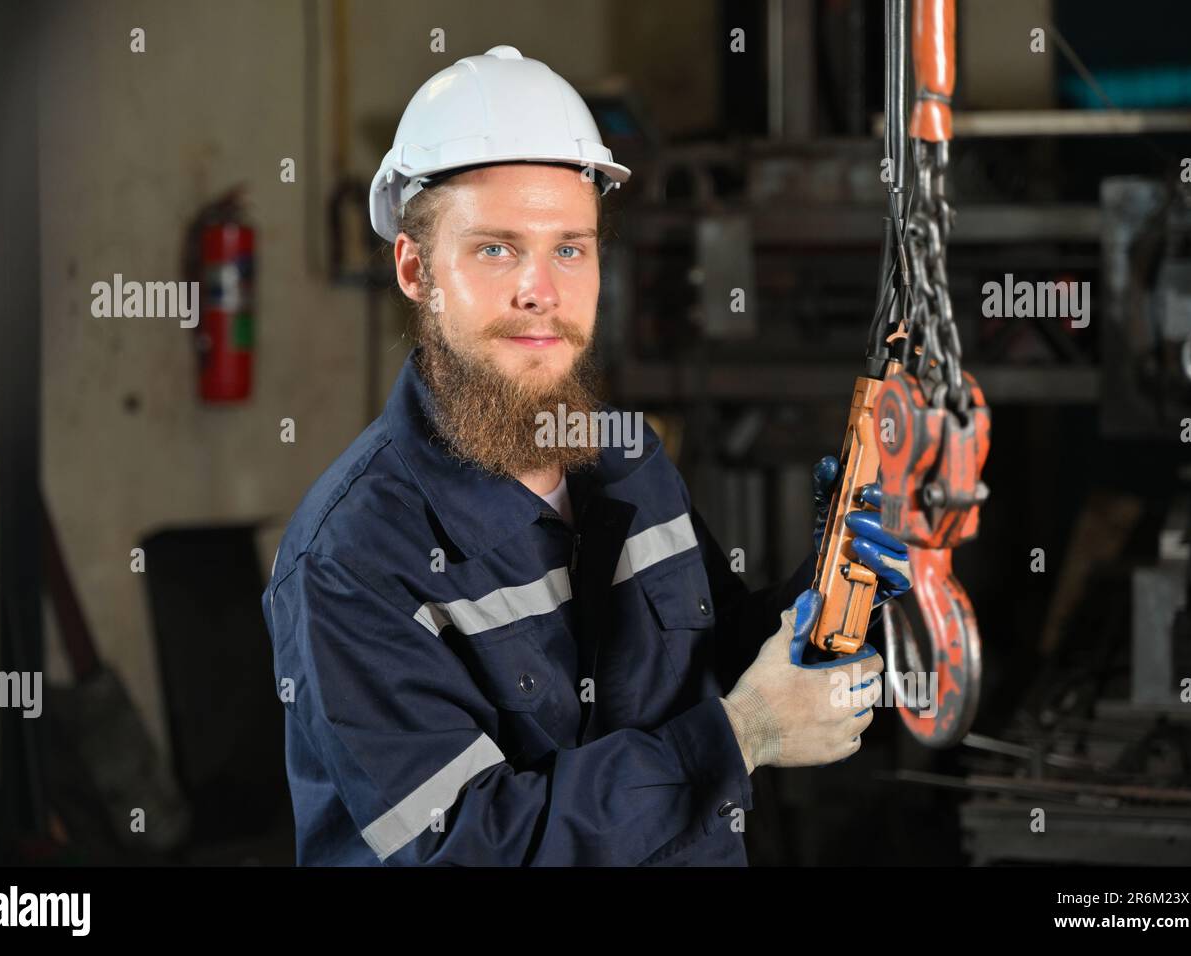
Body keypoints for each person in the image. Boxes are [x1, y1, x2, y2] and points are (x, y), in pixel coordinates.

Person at [262, 46, 910, 866]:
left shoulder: (625, 457)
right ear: (416, 270)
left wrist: (833, 581)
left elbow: (711, 664)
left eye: (571, 247)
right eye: (496, 249)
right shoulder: (351, 561)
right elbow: (468, 848)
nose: (542, 288)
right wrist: (742, 737)